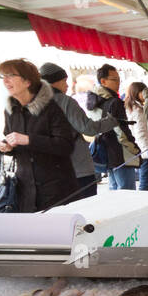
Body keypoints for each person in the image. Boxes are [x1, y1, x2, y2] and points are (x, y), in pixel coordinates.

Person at [0, 58, 80, 212]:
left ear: (27, 82)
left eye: (10, 76)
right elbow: (12, 141)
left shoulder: (50, 108)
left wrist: (29, 140)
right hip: (25, 190)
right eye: (3, 77)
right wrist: (3, 146)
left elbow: (66, 145)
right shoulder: (10, 110)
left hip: (56, 190)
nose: (6, 81)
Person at [38, 62, 116, 202]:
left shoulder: (35, 103)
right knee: (85, 213)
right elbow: (88, 128)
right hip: (77, 169)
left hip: (50, 173)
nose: (67, 85)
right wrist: (112, 121)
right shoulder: (65, 101)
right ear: (54, 82)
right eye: (64, 81)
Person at [86, 63, 138, 190]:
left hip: (104, 152)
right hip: (120, 152)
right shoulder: (114, 102)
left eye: (119, 79)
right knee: (127, 192)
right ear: (103, 81)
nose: (118, 83)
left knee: (114, 190)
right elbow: (121, 130)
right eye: (114, 79)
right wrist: (133, 148)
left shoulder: (94, 101)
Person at [125, 80, 148, 190]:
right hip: (144, 151)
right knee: (146, 182)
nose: (145, 94)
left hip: (143, 150)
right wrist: (147, 153)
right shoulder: (137, 110)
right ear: (136, 93)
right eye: (143, 92)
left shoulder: (133, 107)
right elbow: (141, 133)